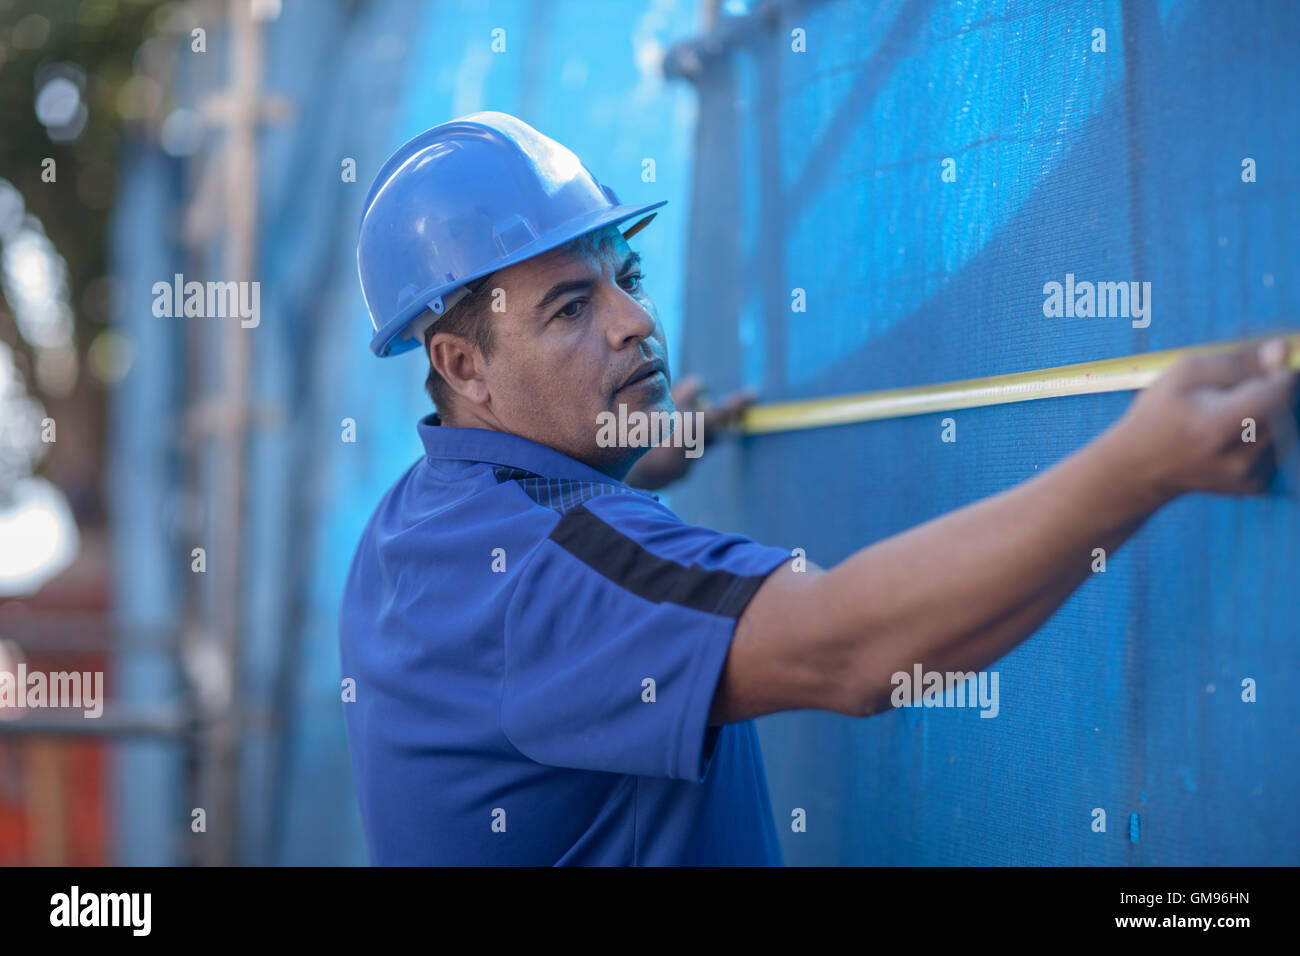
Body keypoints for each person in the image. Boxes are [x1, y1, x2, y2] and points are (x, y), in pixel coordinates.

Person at [340, 111, 1298, 865]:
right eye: (570, 308)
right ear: (464, 364)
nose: (637, 321)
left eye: (624, 276)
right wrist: (1147, 464)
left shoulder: (415, 530)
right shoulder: (548, 574)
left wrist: (639, 446)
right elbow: (854, 652)